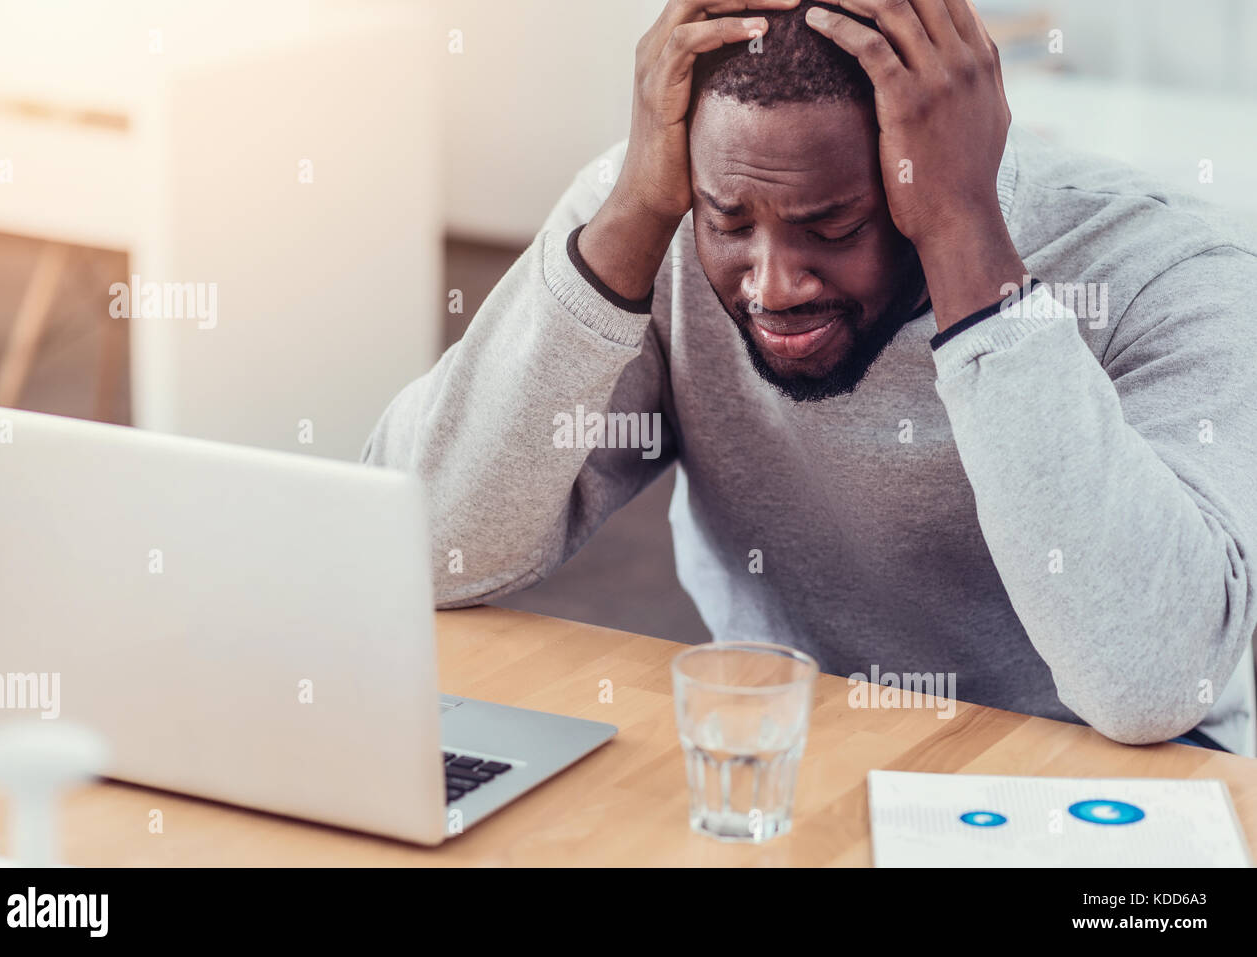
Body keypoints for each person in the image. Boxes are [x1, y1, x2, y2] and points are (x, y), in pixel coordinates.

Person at [364, 0, 1257, 755]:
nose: (773, 284)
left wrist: (963, 239)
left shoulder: (1170, 269)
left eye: (833, 228)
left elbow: (1154, 681)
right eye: (732, 221)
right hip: (803, 759)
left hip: (1116, 789)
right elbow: (422, 545)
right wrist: (634, 211)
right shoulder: (662, 215)